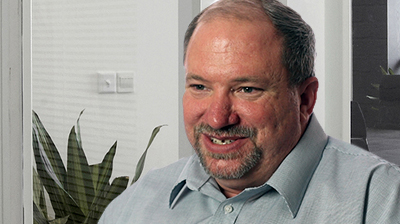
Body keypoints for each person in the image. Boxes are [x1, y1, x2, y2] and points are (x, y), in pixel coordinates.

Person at [99, 0, 400, 223]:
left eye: (246, 89)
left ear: (305, 99)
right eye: (200, 87)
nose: (218, 118)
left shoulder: (381, 202)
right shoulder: (135, 206)